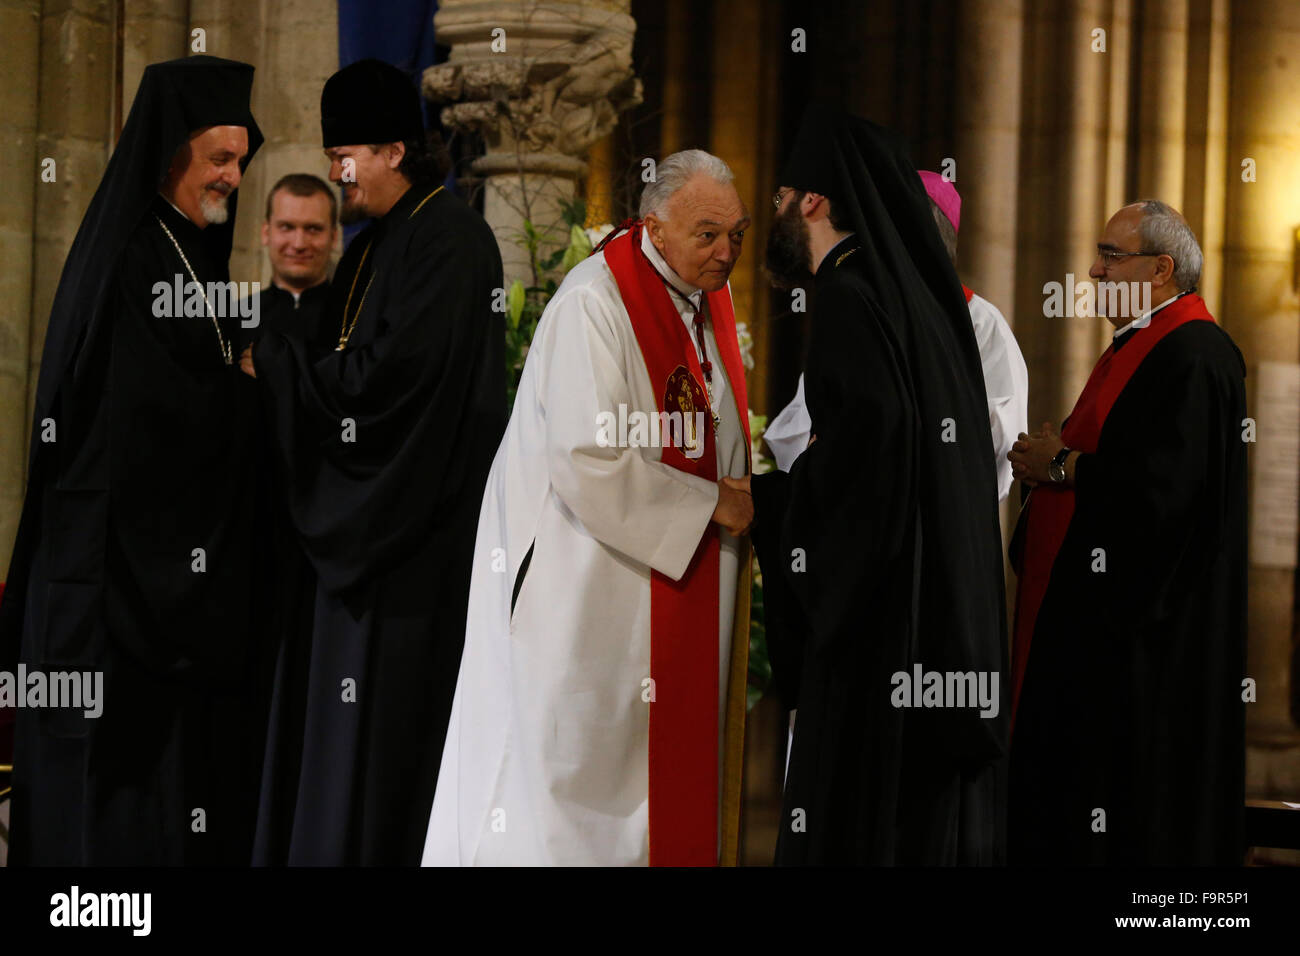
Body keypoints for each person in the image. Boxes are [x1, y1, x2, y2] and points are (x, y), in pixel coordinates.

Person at [424, 149, 754, 866]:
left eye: (737, 234)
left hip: (665, 586)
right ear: (654, 227)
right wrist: (708, 508)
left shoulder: (704, 301)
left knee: (642, 793)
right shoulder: (593, 303)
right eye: (707, 234)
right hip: (591, 590)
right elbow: (583, 457)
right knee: (572, 785)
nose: (726, 252)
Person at [0, 56, 269, 865]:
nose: (232, 174)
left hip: (157, 584)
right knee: (107, 813)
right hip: (115, 586)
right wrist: (250, 397)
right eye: (218, 158)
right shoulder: (135, 256)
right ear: (169, 154)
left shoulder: (189, 251)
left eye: (239, 159)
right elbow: (148, 424)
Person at [244, 58, 505, 866]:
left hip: (406, 550)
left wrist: (276, 367)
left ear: (395, 149)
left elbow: (395, 390)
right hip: (360, 541)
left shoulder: (450, 241)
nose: (334, 172)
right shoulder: (374, 246)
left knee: (383, 762)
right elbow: (339, 360)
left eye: (344, 155)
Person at [751, 106, 1008, 865]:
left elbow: (867, 454)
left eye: (779, 197)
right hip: (930, 620)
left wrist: (770, 505)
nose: (774, 212)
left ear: (815, 201)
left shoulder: (848, 294)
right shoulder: (917, 303)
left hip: (880, 631)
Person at [1006, 200, 1247, 865]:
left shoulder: (1193, 353)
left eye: (1111, 256)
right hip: (1102, 632)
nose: (1093, 269)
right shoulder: (1145, 345)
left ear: (1162, 269)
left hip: (1144, 649)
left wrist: (1061, 464)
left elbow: (1167, 494)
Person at [764, 172, 1028, 504]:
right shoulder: (858, 314)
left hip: (938, 524)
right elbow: (801, 426)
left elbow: (996, 450)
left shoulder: (980, 323)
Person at [238, 173, 337, 350]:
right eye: (287, 227)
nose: (299, 244)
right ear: (266, 233)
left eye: (313, 229)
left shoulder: (355, 319)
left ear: (334, 237)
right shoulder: (235, 318)